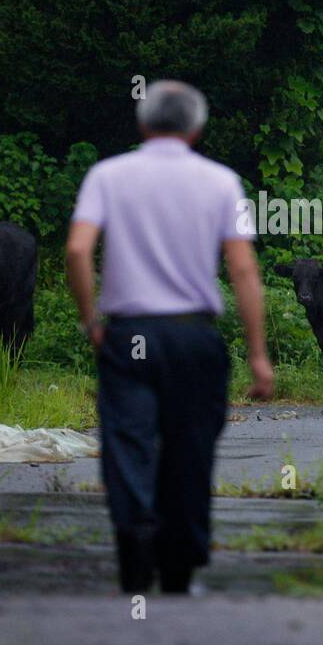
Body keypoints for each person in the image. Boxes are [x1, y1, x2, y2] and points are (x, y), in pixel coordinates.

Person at [65, 79, 275, 594]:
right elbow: (244, 270)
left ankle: (135, 558)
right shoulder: (222, 182)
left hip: (129, 334)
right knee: (190, 448)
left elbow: (76, 251)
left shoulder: (107, 175)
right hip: (192, 337)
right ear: (197, 129)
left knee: (128, 444)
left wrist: (93, 319)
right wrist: (257, 354)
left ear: (142, 123)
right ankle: (179, 568)